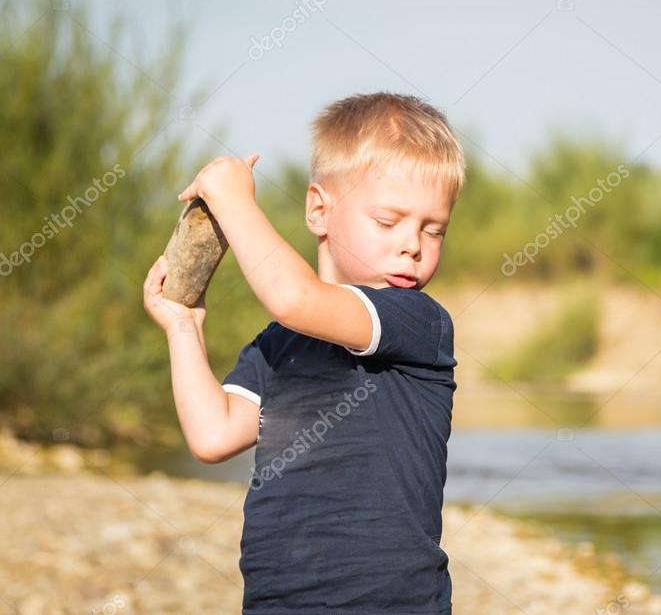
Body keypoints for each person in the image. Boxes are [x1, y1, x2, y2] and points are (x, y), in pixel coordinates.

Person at [143, 92, 465, 613]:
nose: (413, 244)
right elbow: (213, 434)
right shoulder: (279, 343)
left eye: (434, 230)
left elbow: (294, 297)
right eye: (389, 221)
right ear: (320, 210)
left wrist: (233, 200)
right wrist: (184, 325)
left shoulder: (418, 322)